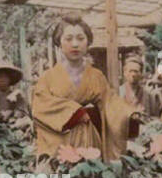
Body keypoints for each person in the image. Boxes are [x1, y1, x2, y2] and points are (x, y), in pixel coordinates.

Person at [31, 14, 139, 162]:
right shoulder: (47, 78)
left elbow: (110, 102)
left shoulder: (96, 76)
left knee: (89, 177)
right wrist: (75, 113)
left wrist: (129, 114)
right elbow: (40, 108)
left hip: (90, 141)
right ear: (59, 42)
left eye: (80, 38)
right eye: (68, 39)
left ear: (88, 42)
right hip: (60, 142)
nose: (75, 44)